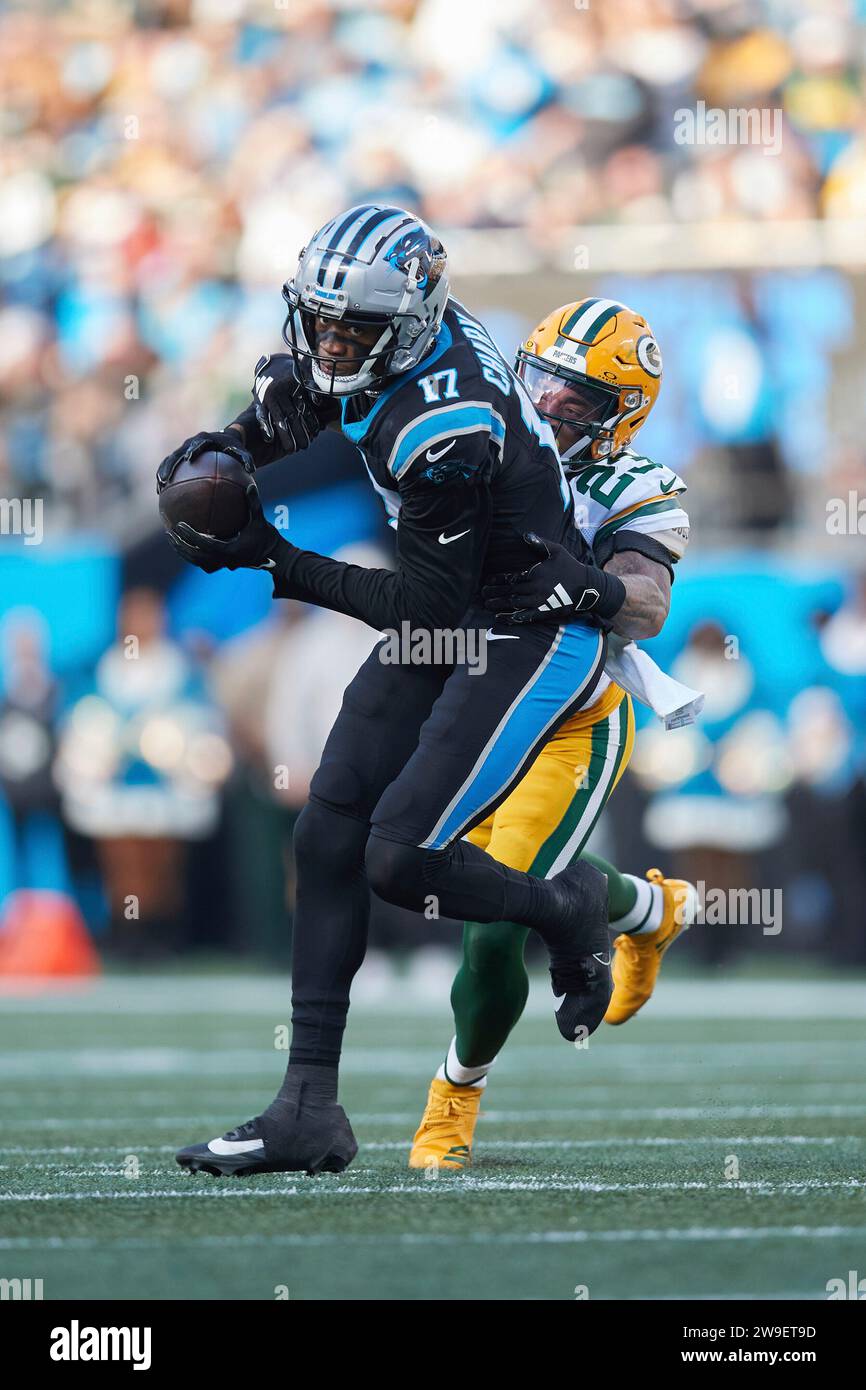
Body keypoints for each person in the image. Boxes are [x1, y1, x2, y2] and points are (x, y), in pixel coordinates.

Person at [158, 206, 636, 1177]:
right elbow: (318, 397)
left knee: (396, 859)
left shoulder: (445, 423)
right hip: (457, 608)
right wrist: (235, 446)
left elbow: (425, 603)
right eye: (320, 323)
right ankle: (306, 1109)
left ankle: (567, 907)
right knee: (324, 831)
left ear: (408, 324)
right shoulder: (401, 340)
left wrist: (273, 559)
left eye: (352, 331)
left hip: (520, 627)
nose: (330, 345)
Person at [408, 297, 698, 1169]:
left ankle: (451, 1103)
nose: (550, 404)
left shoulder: (630, 484)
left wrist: (571, 582)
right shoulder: (485, 443)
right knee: (457, 874)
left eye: (579, 398)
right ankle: (651, 909)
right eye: (542, 381)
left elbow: (645, 603)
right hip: (474, 703)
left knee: (494, 913)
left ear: (622, 414)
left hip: (573, 725)